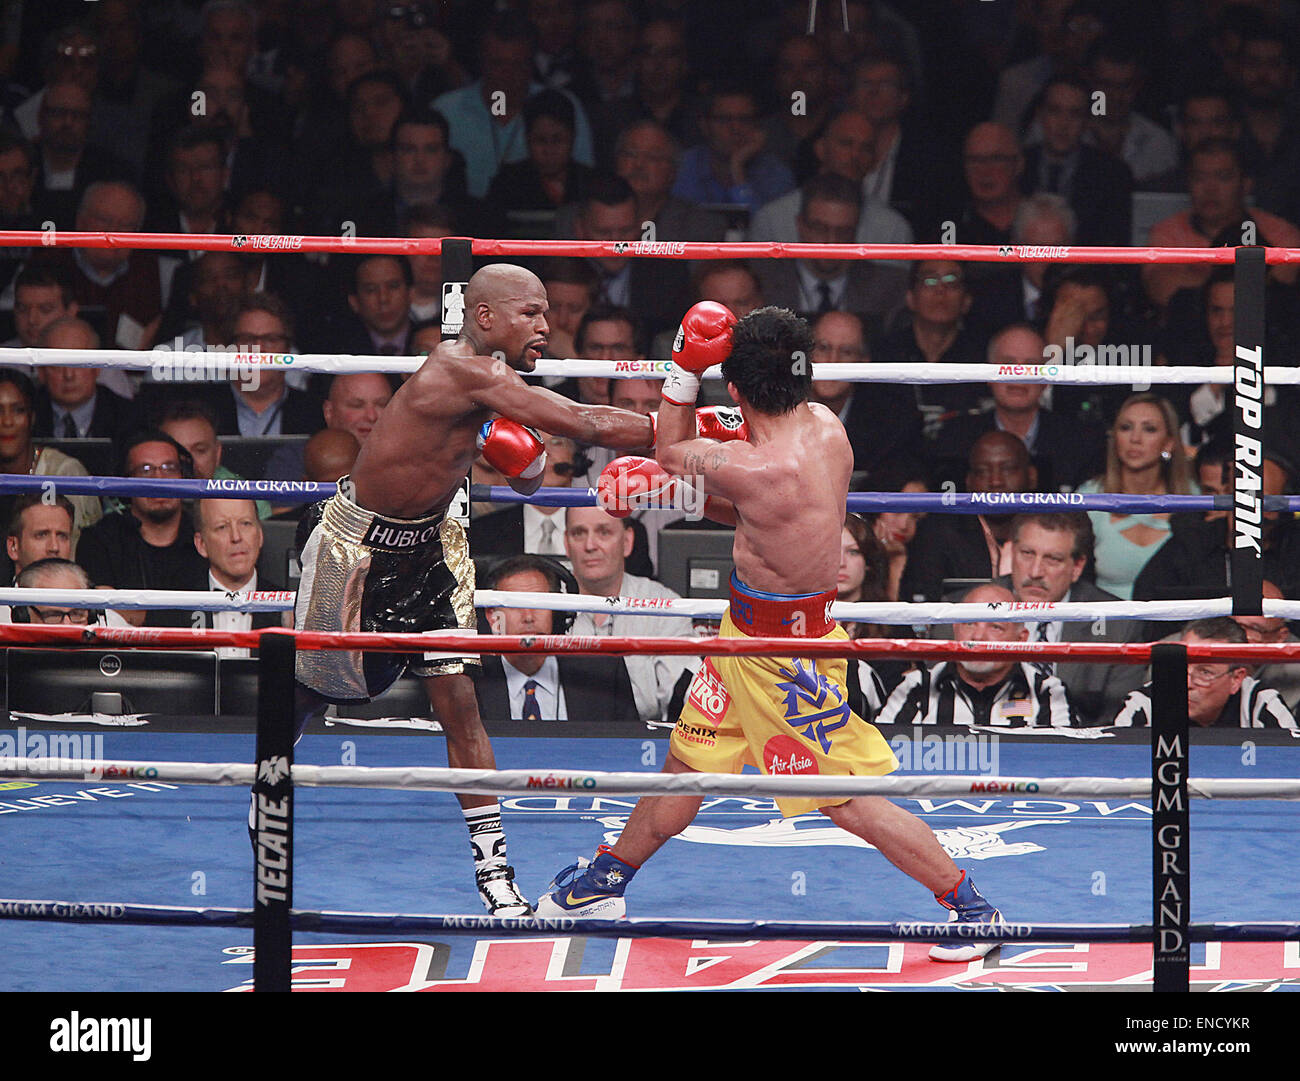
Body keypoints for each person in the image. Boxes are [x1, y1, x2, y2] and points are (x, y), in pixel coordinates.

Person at [537, 303, 1005, 962]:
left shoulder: (764, 465)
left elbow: (675, 448)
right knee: (687, 764)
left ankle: (971, 906)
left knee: (844, 798)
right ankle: (606, 881)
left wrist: (681, 366)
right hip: (746, 636)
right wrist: (674, 489)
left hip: (786, 661)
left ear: (733, 388)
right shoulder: (824, 425)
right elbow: (758, 512)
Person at [292, 262, 654, 917]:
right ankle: (266, 817)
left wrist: (521, 451)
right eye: (531, 313)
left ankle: (495, 876)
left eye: (548, 312)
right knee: (305, 694)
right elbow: (588, 424)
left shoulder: (489, 386)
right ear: (485, 317)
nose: (546, 325)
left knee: (459, 703)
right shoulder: (466, 368)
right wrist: (684, 428)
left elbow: (529, 482)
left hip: (432, 545)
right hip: (358, 548)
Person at [1002, 512, 1145, 727]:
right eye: (1027, 553)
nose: (1035, 572)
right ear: (1012, 552)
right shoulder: (965, 611)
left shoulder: (1117, 623)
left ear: (1077, 567)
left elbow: (1117, 721)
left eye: (1053, 559)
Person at [562, 504, 696, 724]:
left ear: (627, 541)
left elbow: (679, 699)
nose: (590, 545)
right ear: (566, 543)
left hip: (642, 738)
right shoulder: (548, 601)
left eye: (603, 532)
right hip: (563, 738)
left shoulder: (665, 605)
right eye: (579, 533)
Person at [876, 583, 1075, 727]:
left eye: (995, 627)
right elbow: (880, 760)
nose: (978, 636)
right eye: (969, 623)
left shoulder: (1047, 691)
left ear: (1021, 639)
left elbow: (1064, 767)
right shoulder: (916, 686)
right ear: (955, 629)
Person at [475, 553, 638, 723]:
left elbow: (628, 745)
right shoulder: (470, 682)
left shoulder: (603, 675)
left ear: (557, 612)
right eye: (515, 605)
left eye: (538, 604)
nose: (529, 617)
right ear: (493, 617)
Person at [1076, 393, 1194, 600]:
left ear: (1168, 443)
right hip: (1104, 624)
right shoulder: (1089, 497)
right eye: (1126, 428)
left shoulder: (1193, 498)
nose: (1135, 439)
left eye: (1149, 429)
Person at [1112, 618, 1296, 729]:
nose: (1186, 683)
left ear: (1236, 679)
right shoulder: (1143, 703)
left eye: (1205, 672)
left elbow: (1291, 765)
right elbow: (1115, 765)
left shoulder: (1261, 702)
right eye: (1180, 666)